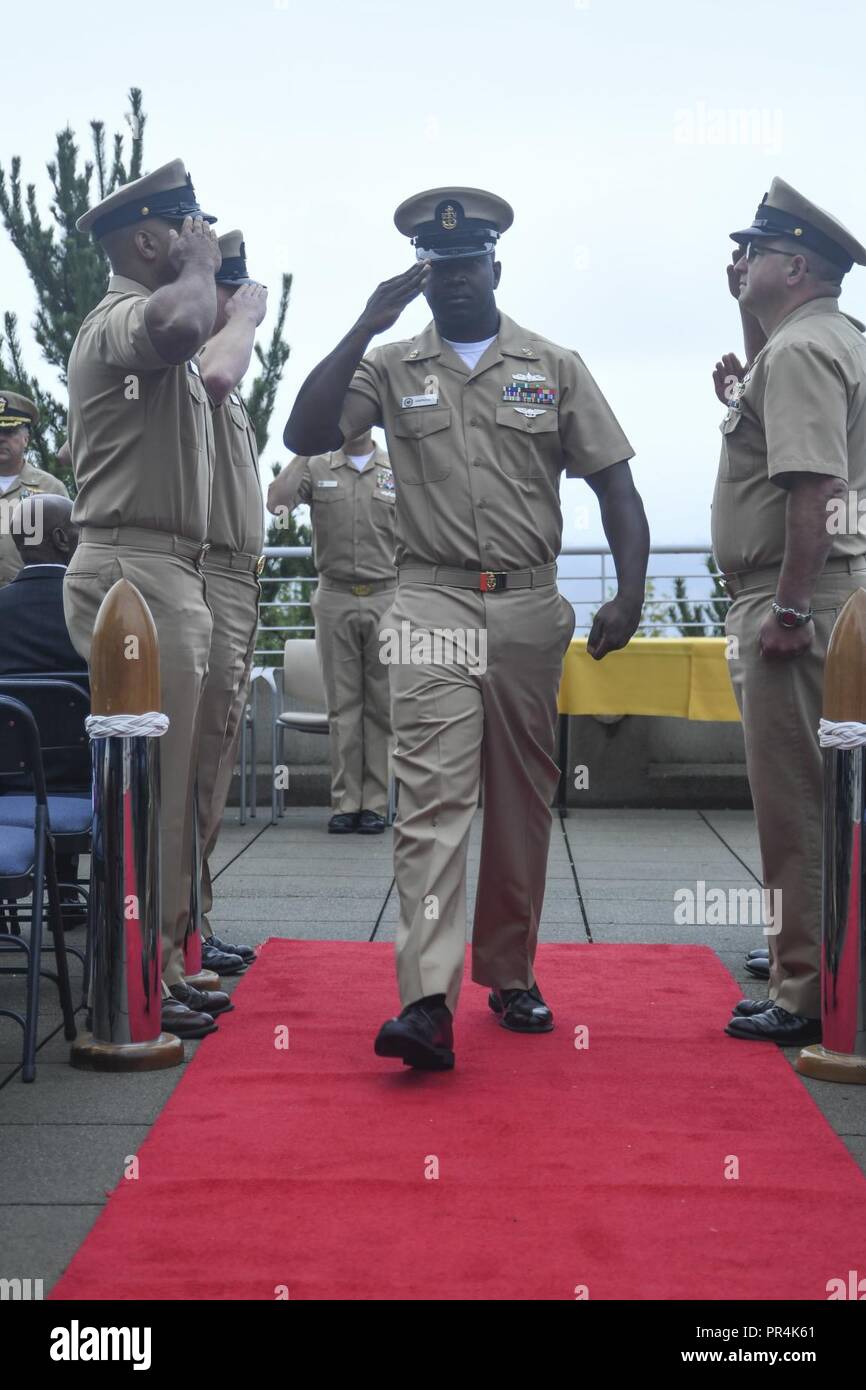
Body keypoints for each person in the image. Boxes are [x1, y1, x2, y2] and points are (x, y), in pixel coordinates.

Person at [285, 186, 648, 1071]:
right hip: (431, 602)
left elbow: (617, 489)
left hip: (528, 608)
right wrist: (363, 324)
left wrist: (629, 593)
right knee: (434, 802)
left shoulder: (553, 364)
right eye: (435, 269)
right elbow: (302, 427)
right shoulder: (390, 366)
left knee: (522, 800)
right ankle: (426, 1001)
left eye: (464, 266)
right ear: (422, 274)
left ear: (494, 266)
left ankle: (511, 973)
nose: (451, 281)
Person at [64, 158, 232, 1040]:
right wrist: (203, 271)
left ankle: (160, 963)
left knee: (168, 793)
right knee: (149, 798)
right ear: (148, 239)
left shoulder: (147, 322)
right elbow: (175, 327)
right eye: (188, 225)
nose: (200, 235)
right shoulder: (126, 318)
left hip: (163, 569)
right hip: (134, 571)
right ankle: (132, 987)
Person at [710, 178, 866, 1044]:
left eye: (757, 252)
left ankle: (805, 989)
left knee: (796, 803)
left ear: (796, 265)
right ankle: (820, 958)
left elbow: (814, 487)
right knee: (829, 799)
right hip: (833, 595)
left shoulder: (804, 352)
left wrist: (793, 610)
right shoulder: (827, 339)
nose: (743, 263)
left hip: (798, 600)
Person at [192, 230, 267, 975]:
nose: (244, 305)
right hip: (210, 579)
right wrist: (237, 321)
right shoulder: (201, 364)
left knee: (214, 766)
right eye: (233, 292)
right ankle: (183, 930)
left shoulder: (228, 375)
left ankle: (193, 919)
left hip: (236, 583)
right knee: (199, 764)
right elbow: (213, 375)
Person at [268, 427, 397, 834]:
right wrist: (308, 444)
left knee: (382, 706)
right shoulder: (319, 464)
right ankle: (345, 803)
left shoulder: (396, 468)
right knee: (342, 707)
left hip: (387, 595)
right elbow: (277, 502)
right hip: (335, 594)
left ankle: (375, 803)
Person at [0, 392, 69, 587]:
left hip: (32, 599)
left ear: (26, 438)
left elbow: (69, 547)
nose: (1, 438)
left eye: (9, 431)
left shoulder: (50, 489)